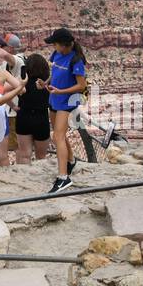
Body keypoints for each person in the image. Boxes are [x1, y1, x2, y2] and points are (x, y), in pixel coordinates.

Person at [43, 28, 87, 193]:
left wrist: (60, 91)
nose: (52, 46)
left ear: (63, 45)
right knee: (58, 133)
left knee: (58, 136)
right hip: (54, 99)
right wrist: (45, 82)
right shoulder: (56, 54)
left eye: (54, 43)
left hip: (66, 102)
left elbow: (81, 85)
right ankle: (70, 160)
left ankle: (63, 177)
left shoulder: (76, 60)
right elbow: (54, 72)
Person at [14, 52, 52, 167]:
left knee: (24, 154)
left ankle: (23, 181)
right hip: (41, 119)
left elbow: (5, 91)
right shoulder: (47, 84)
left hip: (23, 117)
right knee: (41, 156)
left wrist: (13, 106)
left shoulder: (22, 81)